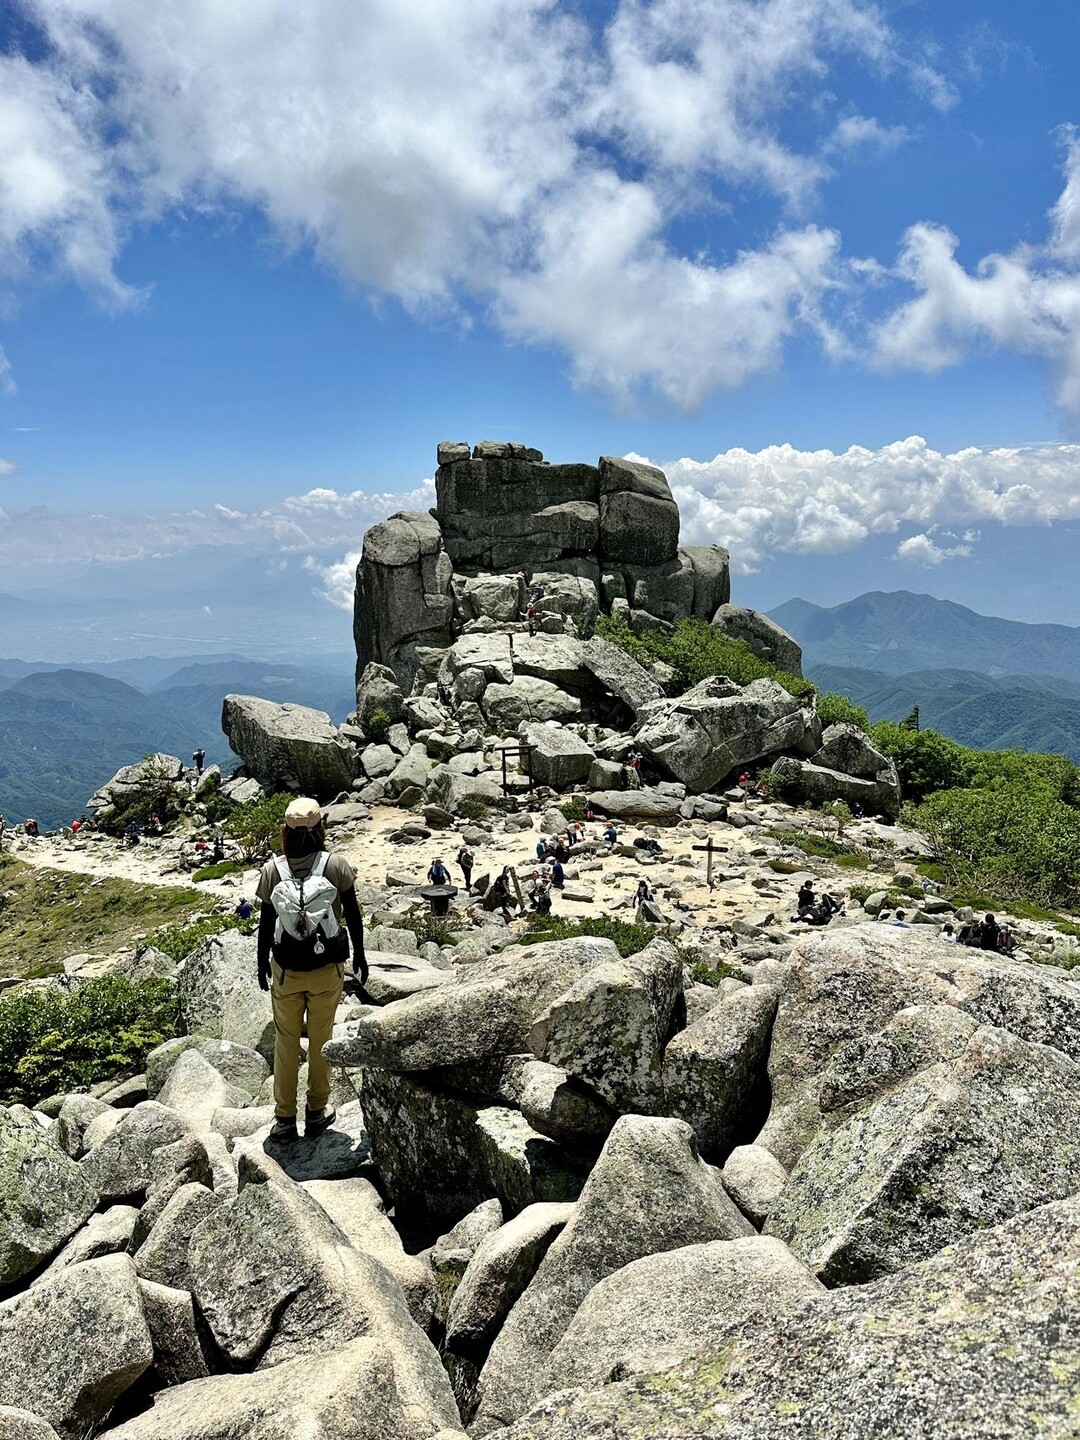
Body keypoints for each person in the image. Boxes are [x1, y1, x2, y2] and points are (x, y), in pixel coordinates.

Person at [256, 797, 367, 1145]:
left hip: (286, 970)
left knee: (286, 1043)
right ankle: (317, 1111)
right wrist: (360, 955)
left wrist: (262, 964)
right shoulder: (335, 865)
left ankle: (285, 1119)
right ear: (321, 828)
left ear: (285, 832)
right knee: (322, 1039)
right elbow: (353, 913)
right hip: (326, 968)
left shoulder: (273, 870)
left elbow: (265, 922)